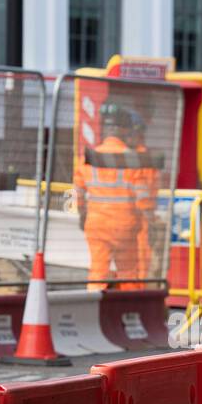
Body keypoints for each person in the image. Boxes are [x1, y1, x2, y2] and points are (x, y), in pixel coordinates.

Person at [74, 102, 159, 290]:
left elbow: (76, 191)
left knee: (98, 270)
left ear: (106, 129)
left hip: (96, 225)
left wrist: (81, 214)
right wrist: (150, 221)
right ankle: (130, 309)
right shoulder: (131, 159)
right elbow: (143, 198)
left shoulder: (88, 157)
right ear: (123, 130)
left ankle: (93, 306)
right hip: (125, 227)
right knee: (128, 272)